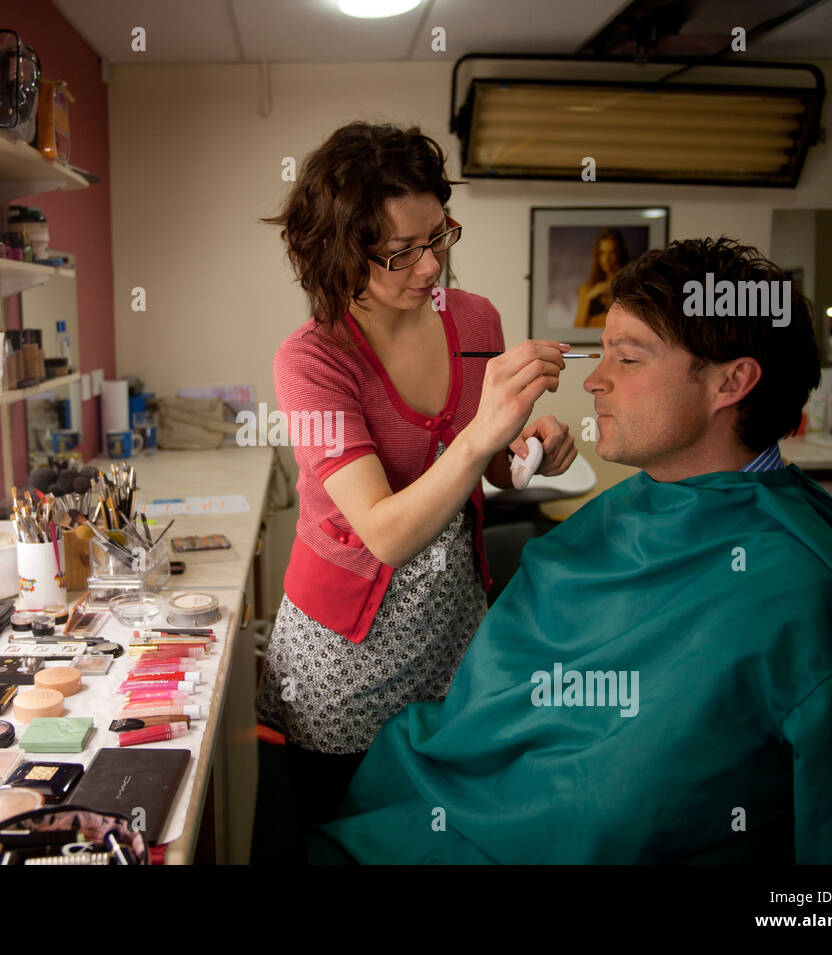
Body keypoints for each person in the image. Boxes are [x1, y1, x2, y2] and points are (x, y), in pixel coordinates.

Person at [314, 237, 832, 864]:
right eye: (601, 352)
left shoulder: (802, 589)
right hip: (466, 789)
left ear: (732, 381)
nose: (594, 381)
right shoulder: (633, 508)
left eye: (628, 358)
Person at [256, 121, 578, 857]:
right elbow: (387, 531)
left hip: (452, 622)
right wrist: (482, 432)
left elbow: (490, 468)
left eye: (440, 236)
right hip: (344, 648)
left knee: (440, 823)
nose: (431, 266)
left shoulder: (475, 320)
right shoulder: (312, 361)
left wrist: (534, 452)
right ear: (339, 252)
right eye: (401, 252)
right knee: (339, 832)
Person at [574, 227, 628, 328]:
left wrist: (593, 321)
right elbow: (577, 329)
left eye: (612, 253)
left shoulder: (630, 289)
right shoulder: (587, 289)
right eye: (602, 253)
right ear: (597, 256)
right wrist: (590, 296)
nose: (606, 259)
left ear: (620, 254)